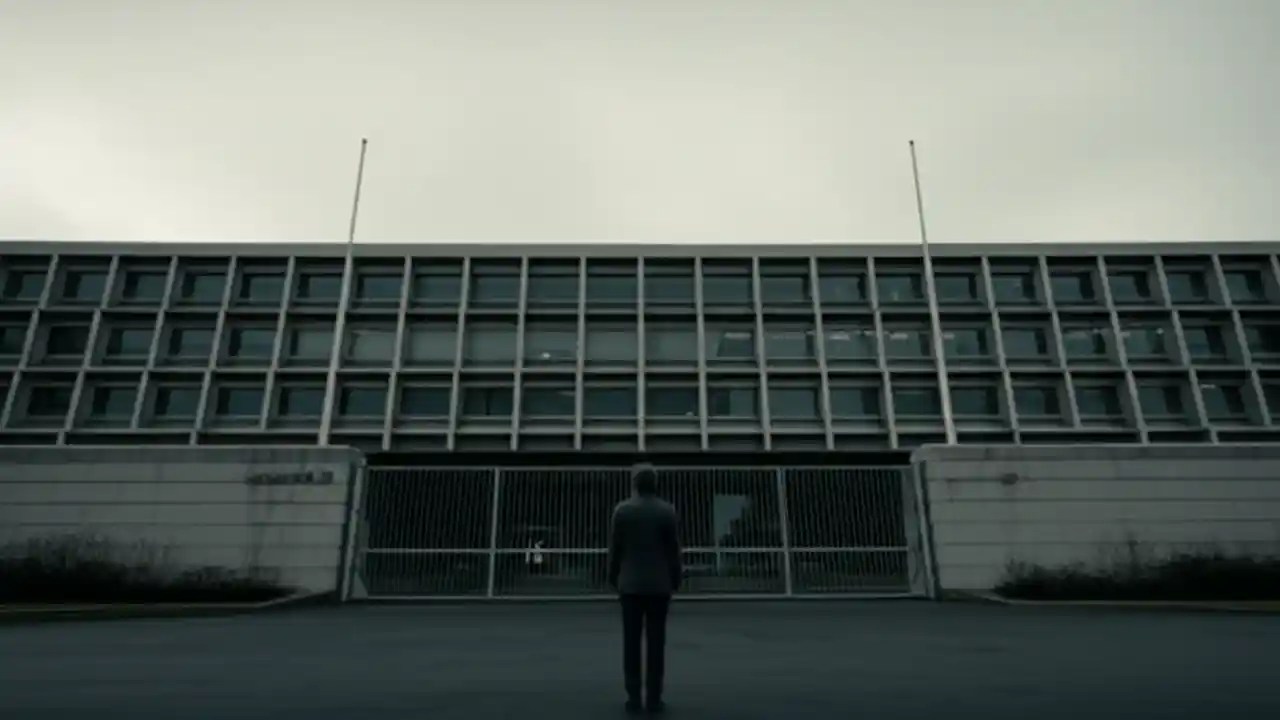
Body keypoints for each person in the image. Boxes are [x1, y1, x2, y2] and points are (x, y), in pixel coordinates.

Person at [607, 462, 682, 714]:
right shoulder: (666, 511)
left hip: (630, 586)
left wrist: (613, 576)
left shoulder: (622, 511)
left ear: (635, 485)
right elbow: (673, 550)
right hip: (659, 587)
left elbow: (615, 550)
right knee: (656, 643)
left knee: (631, 643)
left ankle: (633, 696)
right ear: (655, 484)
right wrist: (676, 577)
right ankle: (654, 697)